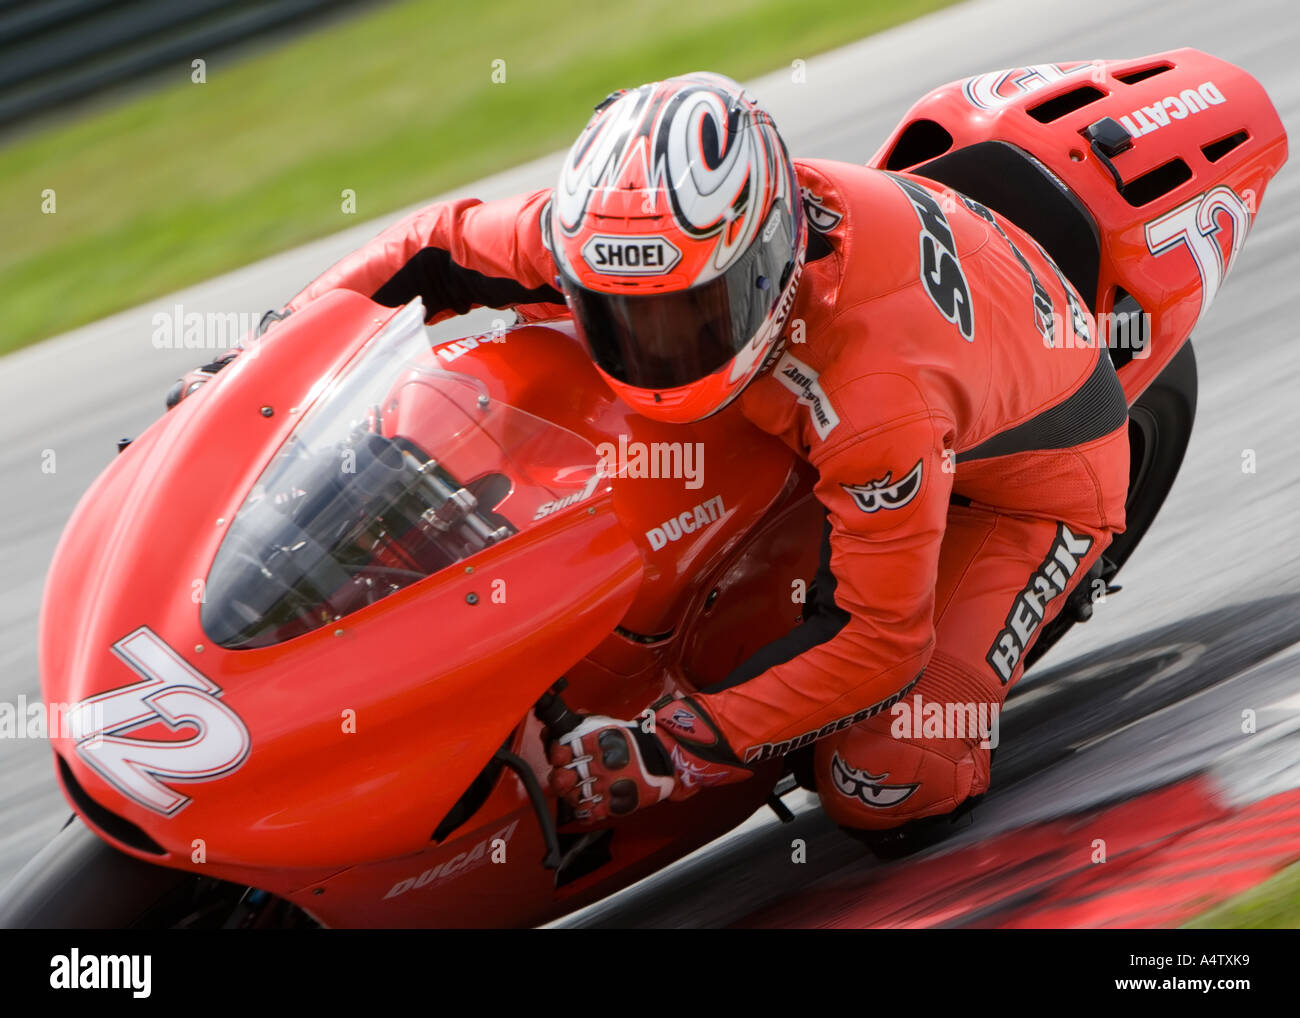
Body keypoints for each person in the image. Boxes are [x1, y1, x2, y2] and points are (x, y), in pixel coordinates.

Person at [173, 71, 1128, 851]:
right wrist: (264, 367)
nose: (650, 345)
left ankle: (1009, 627)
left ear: (762, 262)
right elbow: (427, 248)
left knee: (886, 776)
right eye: (620, 313)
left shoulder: (874, 404)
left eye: (684, 315)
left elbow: (880, 645)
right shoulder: (625, 235)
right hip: (816, 380)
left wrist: (670, 749)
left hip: (1019, 487)